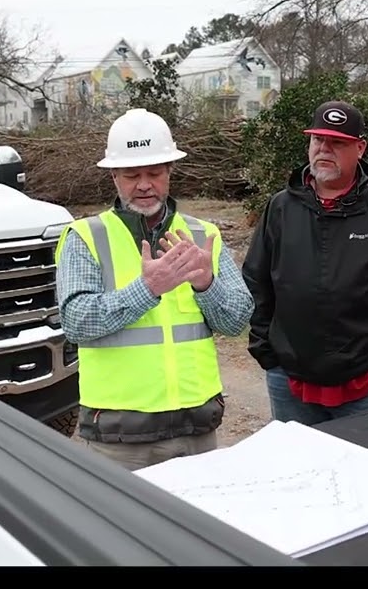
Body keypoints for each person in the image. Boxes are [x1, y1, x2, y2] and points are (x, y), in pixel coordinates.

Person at [54, 107, 254, 471]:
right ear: (113, 175)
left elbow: (237, 320)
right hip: (120, 438)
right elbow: (76, 323)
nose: (144, 184)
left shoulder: (203, 235)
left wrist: (206, 284)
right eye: (131, 174)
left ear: (169, 172)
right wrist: (147, 288)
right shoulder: (85, 238)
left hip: (197, 429)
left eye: (154, 173)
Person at [241, 100, 368, 426]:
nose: (324, 150)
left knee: (359, 473)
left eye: (337, 143)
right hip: (288, 380)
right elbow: (256, 282)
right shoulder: (281, 208)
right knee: (298, 471)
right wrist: (267, 353)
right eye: (318, 140)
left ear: (360, 148)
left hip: (363, 384)